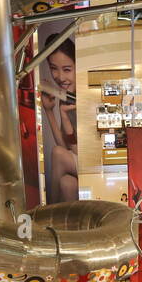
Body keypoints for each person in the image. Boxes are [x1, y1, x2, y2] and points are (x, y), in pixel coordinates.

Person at [40, 38, 78, 202]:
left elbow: (72, 153)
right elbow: (65, 148)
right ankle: (68, 224)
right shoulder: (67, 97)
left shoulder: (84, 95)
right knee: (66, 183)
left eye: (67, 69)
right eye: (54, 69)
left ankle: (49, 214)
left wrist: (65, 119)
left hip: (97, 165)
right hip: (77, 161)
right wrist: (49, 111)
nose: (60, 77)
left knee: (56, 152)